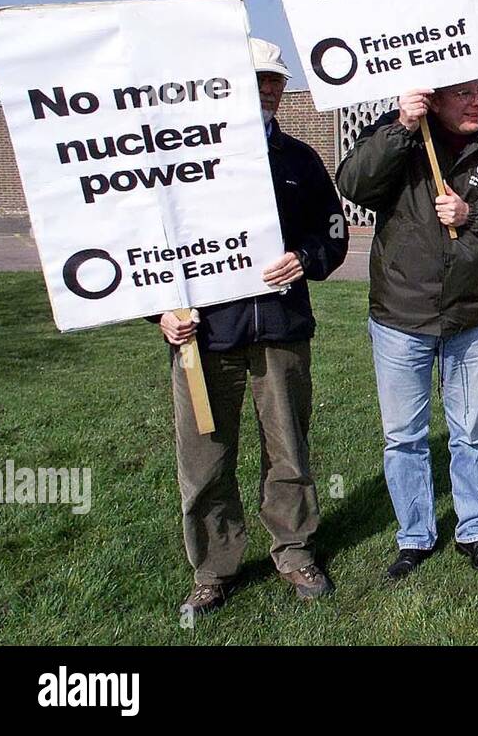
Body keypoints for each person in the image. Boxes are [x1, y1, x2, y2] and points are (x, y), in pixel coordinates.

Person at [158, 38, 349, 617]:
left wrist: (307, 258)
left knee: (289, 450)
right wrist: (159, 311)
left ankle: (292, 548)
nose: (268, 91)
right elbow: (144, 249)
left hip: (282, 331)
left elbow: (333, 233)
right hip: (204, 339)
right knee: (205, 458)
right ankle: (213, 568)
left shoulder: (300, 159)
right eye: (256, 79)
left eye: (275, 81)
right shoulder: (177, 160)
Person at [335, 82, 478, 580]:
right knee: (404, 436)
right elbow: (354, 184)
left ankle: (475, 528)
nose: (477, 102)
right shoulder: (397, 138)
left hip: (471, 318)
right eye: (463, 95)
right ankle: (414, 535)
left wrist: (475, 213)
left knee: (470, 432)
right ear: (433, 99)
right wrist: (401, 127)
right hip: (400, 317)